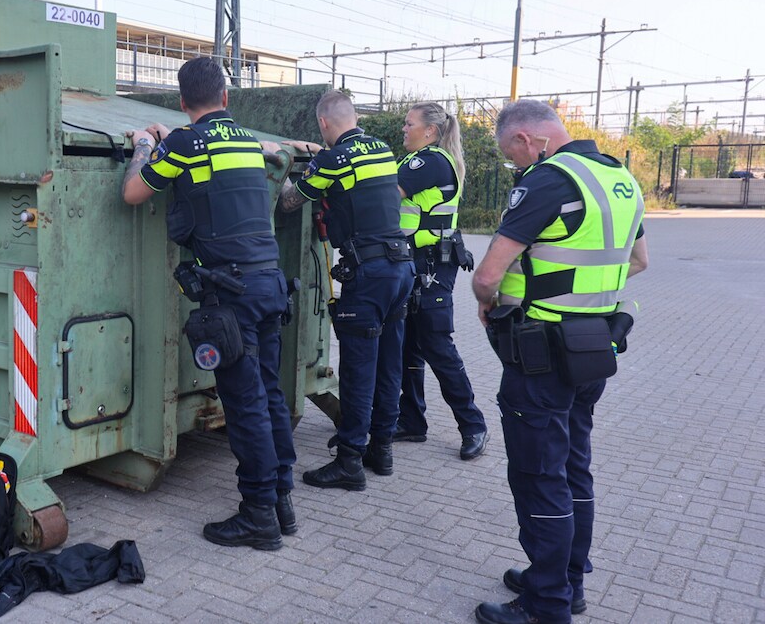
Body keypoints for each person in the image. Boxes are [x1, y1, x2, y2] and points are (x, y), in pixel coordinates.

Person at [472, 99, 648, 624]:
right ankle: (566, 581)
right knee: (573, 466)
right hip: (594, 347)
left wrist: (491, 302)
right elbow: (638, 262)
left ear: (528, 140)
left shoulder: (548, 178)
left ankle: (546, 604)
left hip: (541, 354)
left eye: (513, 157)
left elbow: (487, 275)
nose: (517, 166)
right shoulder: (620, 178)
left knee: (538, 474)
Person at [121, 56, 295, 551]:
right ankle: (282, 500)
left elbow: (134, 192)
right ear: (226, 98)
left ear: (181, 102)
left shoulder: (182, 143)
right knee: (270, 394)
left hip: (232, 296)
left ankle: (259, 515)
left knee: (245, 408)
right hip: (269, 284)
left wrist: (144, 144)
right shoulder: (244, 140)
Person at [268, 90, 414, 489]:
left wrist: (294, 157)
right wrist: (322, 156)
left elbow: (289, 202)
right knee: (389, 364)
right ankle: (379, 450)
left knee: (358, 369)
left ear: (324, 124)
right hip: (401, 268)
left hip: (367, 275)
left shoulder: (332, 159)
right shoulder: (380, 148)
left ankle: (349, 460)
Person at [393, 102, 489, 461]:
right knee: (409, 346)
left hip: (432, 263)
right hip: (418, 260)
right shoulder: (420, 159)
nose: (404, 128)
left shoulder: (427, 161)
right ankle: (413, 421)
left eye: (409, 123)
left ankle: (473, 426)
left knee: (436, 344)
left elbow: (387, 195)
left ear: (430, 131)